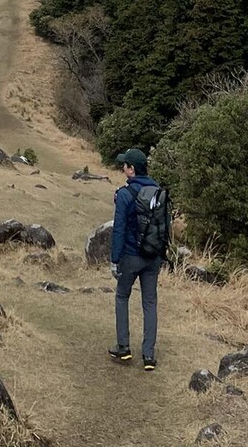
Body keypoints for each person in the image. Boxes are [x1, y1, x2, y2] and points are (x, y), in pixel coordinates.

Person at [108, 147, 164, 371]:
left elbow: (118, 229)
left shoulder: (123, 194)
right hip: (153, 257)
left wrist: (114, 259)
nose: (122, 168)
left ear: (132, 169)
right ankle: (148, 356)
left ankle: (124, 347)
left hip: (131, 256)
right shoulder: (159, 191)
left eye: (125, 165)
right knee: (149, 303)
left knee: (122, 297)